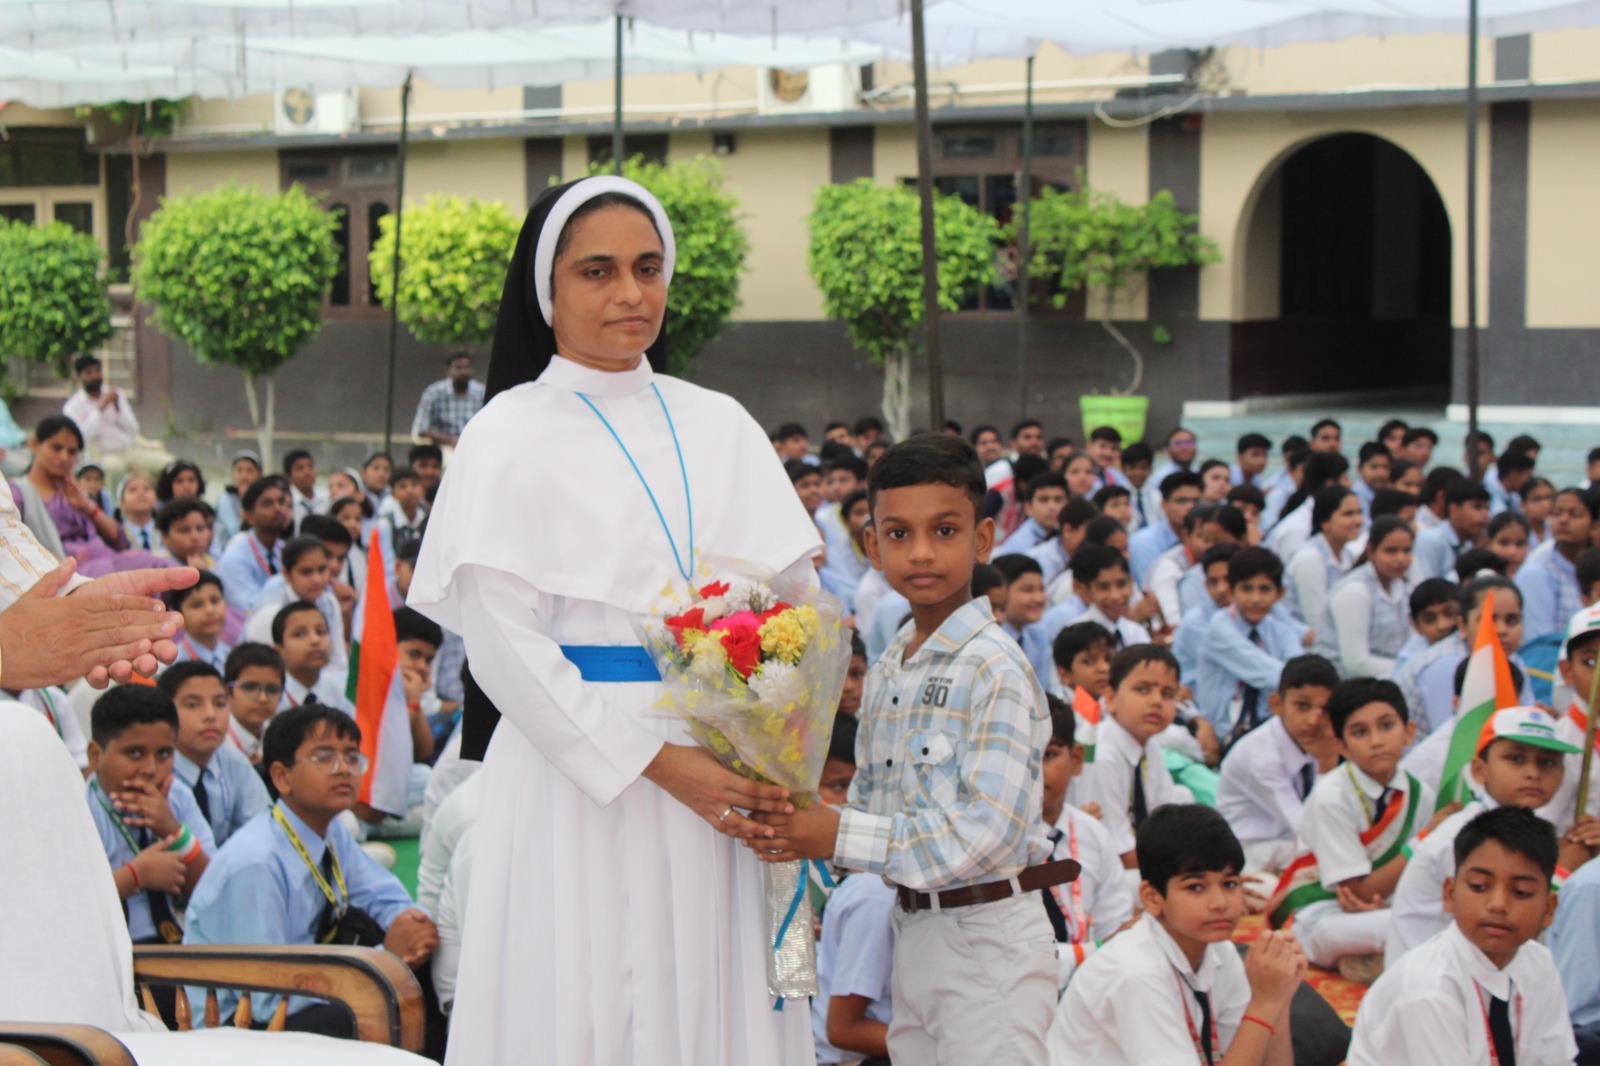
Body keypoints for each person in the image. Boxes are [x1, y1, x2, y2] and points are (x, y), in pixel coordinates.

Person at [406, 175, 827, 1065]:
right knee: (586, 995)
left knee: (719, 989)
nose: (631, 294)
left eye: (647, 267)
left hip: (724, 759)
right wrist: (658, 764)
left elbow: (795, 606)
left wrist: (772, 738)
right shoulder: (506, 434)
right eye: (597, 271)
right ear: (546, 291)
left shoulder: (722, 424)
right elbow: (503, 649)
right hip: (576, 773)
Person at [747, 433, 1061, 1064]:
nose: (921, 553)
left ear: (983, 539)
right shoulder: (890, 664)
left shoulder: (993, 667)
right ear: (871, 546)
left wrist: (833, 835)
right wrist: (783, 808)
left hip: (988, 934)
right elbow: (872, 798)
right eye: (898, 534)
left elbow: (986, 837)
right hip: (909, 930)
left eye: (945, 531)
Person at [182, 704, 437, 1034]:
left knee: (420, 972)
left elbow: (384, 896)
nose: (343, 769)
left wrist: (412, 926)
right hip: (235, 1021)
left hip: (296, 986)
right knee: (373, 1008)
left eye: (351, 757)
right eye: (324, 757)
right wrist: (383, 956)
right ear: (281, 776)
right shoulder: (257, 862)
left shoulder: (330, 831)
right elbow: (267, 997)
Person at [1046, 804, 1304, 1066]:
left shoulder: (1219, 951)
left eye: (1229, 884)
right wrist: (1263, 1004)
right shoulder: (1135, 971)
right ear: (1152, 898)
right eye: (1196, 887)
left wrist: (1278, 1000)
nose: (1220, 903)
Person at [1351, 807, 1576, 1066]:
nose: (1498, 904)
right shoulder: (1429, 987)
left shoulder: (1539, 962)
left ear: (1548, 909)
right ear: (1449, 893)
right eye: (1479, 887)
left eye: (1521, 892)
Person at [1266, 678, 1440, 978]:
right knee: (1406, 926)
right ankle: (1382, 960)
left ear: (1409, 732)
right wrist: (1425, 840)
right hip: (1325, 915)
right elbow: (1357, 891)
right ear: (1341, 745)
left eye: (1386, 726)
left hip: (1387, 906)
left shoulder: (1420, 793)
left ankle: (1376, 961)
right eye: (1360, 732)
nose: (1376, 740)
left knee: (1446, 915)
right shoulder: (1331, 797)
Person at [1385, 707, 1585, 962]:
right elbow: (1496, 927)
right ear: (1479, 770)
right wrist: (1563, 872)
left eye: (1547, 762)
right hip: (1434, 972)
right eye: (1516, 758)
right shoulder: (1463, 836)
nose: (1534, 773)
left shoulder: (1527, 828)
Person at [86, 684, 215, 947]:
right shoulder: (80, 808)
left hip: (181, 950)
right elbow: (67, 907)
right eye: (134, 753)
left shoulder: (177, 796)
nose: (150, 769)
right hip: (108, 957)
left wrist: (174, 832)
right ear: (95, 756)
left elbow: (216, 895)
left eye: (164, 754)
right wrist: (135, 876)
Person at [1040, 696, 1135, 990]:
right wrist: (1095, 950)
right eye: (1018, 758)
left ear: (1077, 760)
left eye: (1049, 755)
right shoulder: (989, 844)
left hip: (1091, 989)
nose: (1032, 772)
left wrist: (1100, 951)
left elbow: (1118, 935)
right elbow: (1018, 961)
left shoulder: (1092, 834)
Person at [1216, 655, 1341, 874]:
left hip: (1287, 845)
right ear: (1276, 704)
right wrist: (1327, 765)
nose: (1314, 720)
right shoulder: (1261, 757)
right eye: (1303, 706)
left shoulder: (1322, 737)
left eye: (1325, 709)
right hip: (1247, 854)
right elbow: (1307, 828)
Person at [1069, 645, 1184, 869]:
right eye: (1142, 689)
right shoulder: (1102, 756)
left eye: (1168, 694)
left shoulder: (1149, 747)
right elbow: (1122, 855)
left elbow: (1168, 825)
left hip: (1138, 861)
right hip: (1101, 870)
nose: (1157, 701)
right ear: (1110, 698)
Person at [12, 415, 168, 578]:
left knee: (160, 566)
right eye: (56, 448)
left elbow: (121, 541)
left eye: (72, 452)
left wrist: (86, 506)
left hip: (108, 563)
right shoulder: (16, 495)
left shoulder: (74, 493)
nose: (64, 457)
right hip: (70, 575)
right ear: (35, 444)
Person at [1197, 548, 1307, 741]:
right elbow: (1278, 676)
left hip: (1269, 728)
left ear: (1279, 594)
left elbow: (1299, 676)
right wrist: (1304, 680)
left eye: (1264, 589)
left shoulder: (1281, 630)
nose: (1255, 598)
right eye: (1246, 588)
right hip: (1223, 733)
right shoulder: (1219, 627)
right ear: (1232, 591)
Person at [159, 660, 271, 847]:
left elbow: (264, 833)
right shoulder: (155, 769)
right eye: (193, 705)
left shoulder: (233, 763)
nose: (210, 715)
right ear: (164, 711)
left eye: (220, 703)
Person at [1317, 516, 1415, 678]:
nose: (1401, 558)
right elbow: (1356, 664)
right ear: (1371, 551)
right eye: (1391, 550)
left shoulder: (1401, 587)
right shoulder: (1355, 591)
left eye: (1407, 550)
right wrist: (1410, 669)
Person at [244, 535, 346, 669]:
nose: (317, 579)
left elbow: (338, 661)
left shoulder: (329, 603)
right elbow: (263, 668)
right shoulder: (270, 613)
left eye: (322, 570)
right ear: (286, 574)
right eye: (306, 572)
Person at [61, 355, 171, 477]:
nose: (95, 376)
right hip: (103, 454)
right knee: (114, 469)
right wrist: (100, 409)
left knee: (169, 464)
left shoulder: (115, 394)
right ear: (78, 376)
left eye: (97, 371)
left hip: (129, 449)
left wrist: (118, 409)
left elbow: (134, 430)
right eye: (89, 373)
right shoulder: (73, 406)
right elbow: (82, 439)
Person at [1517, 486, 1598, 641]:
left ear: (1594, 524)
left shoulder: (1594, 561)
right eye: (1557, 514)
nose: (1563, 520)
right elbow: (1540, 642)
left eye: (1574, 515)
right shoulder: (1537, 570)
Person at [1283, 485, 1362, 625]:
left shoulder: (1347, 555)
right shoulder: (1310, 558)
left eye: (1359, 512)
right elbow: (1316, 621)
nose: (1358, 520)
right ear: (1325, 522)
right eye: (1348, 514)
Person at [216, 475, 292, 613]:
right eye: (267, 503)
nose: (278, 509)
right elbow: (252, 608)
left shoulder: (285, 549)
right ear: (249, 516)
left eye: (281, 502)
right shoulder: (235, 558)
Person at [272, 601, 352, 712]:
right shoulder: (271, 699)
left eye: (321, 632)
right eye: (299, 634)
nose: (315, 640)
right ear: (278, 650)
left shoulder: (343, 696)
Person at [1130, 471, 1202, 585]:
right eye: (1182, 501)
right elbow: (1149, 590)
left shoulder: (1209, 539)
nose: (1190, 507)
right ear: (1164, 504)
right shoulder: (1142, 544)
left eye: (1196, 501)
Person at [1413, 477, 1492, 581]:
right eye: (1477, 507)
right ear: (1454, 508)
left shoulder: (1470, 544)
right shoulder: (1431, 540)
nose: (1485, 515)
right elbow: (1425, 585)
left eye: (1487, 508)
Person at [222, 642, 284, 764]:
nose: (263, 698)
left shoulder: (281, 740)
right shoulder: (216, 741)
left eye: (272, 689)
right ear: (227, 691)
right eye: (250, 687)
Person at [413, 352, 487, 449]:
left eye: (467, 367)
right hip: (444, 447)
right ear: (448, 370)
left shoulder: (481, 392)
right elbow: (421, 429)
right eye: (458, 367)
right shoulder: (434, 393)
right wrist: (451, 440)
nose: (464, 372)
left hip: (475, 446)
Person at [164, 569, 231, 669]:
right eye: (197, 605)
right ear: (178, 615)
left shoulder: (233, 657)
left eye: (215, 601)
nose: (210, 610)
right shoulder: (171, 666)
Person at [996, 471, 1069, 557]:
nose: (1052, 506)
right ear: (1028, 507)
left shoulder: (1067, 534)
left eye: (1058, 500)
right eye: (1044, 500)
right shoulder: (1019, 546)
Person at [212, 450, 260, 548]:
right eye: (239, 470)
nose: (244, 476)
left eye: (249, 471)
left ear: (259, 474)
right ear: (233, 473)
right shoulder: (224, 499)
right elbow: (233, 530)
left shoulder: (263, 498)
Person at [156, 496, 217, 569]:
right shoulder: (156, 566)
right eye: (184, 530)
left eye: (200, 529)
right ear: (164, 536)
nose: (195, 537)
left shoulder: (211, 563)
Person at [282, 448, 326, 533]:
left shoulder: (326, 498)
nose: (307, 472)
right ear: (288, 477)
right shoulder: (286, 502)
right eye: (300, 468)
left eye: (310, 466)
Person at [117, 472, 161, 553]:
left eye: (147, 488)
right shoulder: (116, 535)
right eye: (133, 489)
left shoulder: (167, 532)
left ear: (156, 500)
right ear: (122, 502)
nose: (141, 493)